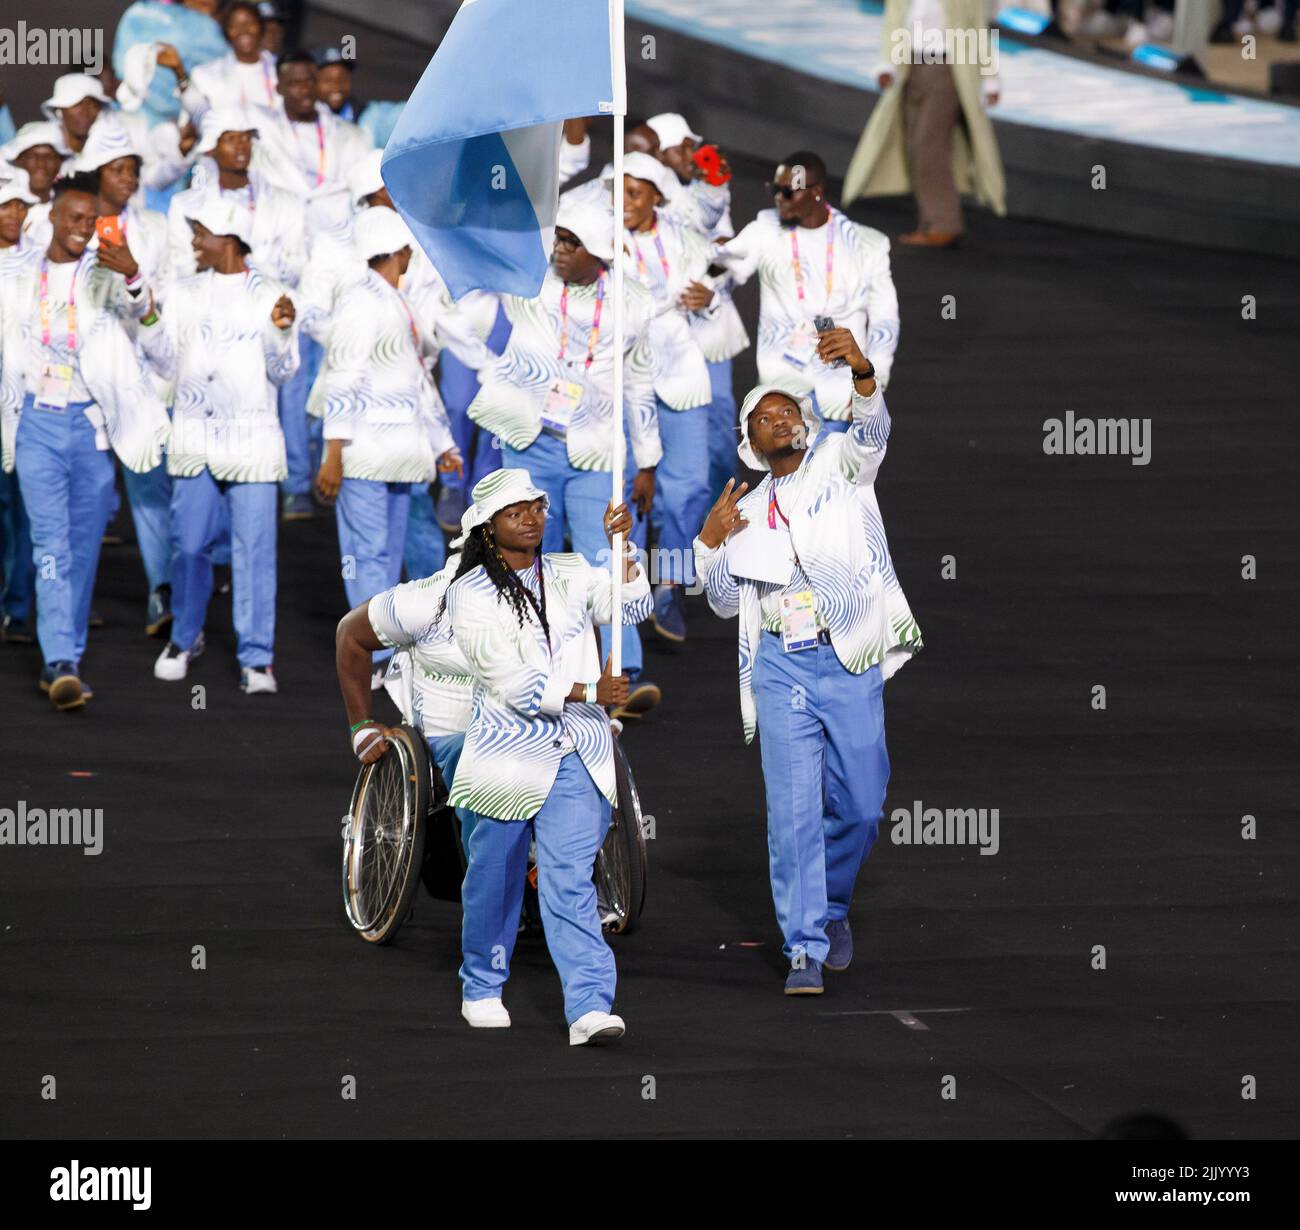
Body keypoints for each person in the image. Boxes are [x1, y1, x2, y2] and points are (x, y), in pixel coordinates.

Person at [693, 331, 922, 994]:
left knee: (863, 807)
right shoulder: (745, 510)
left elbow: (873, 431)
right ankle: (804, 946)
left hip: (846, 655)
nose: (782, 419)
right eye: (766, 418)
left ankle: (833, 905)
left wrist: (861, 369)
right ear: (750, 443)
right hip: (781, 669)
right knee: (792, 813)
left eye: (788, 410)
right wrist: (710, 547)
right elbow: (725, 602)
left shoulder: (840, 468)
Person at [444, 467, 650, 1044]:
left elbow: (626, 609)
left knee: (569, 875)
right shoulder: (467, 593)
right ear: (488, 529)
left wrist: (623, 551)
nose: (533, 517)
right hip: (505, 750)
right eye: (517, 511)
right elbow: (507, 678)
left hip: (577, 747)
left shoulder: (568, 570)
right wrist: (586, 691)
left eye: (536, 506)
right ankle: (481, 984)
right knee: (497, 873)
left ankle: (588, 1005)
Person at [467, 196, 663, 718]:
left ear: (598, 253)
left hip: (595, 449)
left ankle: (623, 676)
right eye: (560, 238)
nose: (560, 249)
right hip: (529, 444)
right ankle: (540, 671)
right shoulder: (530, 280)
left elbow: (640, 383)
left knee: (608, 553)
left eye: (573, 244)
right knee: (531, 561)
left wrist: (647, 461)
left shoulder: (635, 304)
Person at [0, 172, 170, 709]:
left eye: (91, 221)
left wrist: (137, 278)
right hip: (37, 423)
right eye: (74, 218)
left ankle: (63, 656)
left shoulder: (108, 273)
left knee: (80, 547)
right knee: (50, 543)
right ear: (49, 215)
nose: (82, 229)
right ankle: (61, 658)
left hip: (93, 425)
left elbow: (157, 338)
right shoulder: (16, 274)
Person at [144, 198, 298, 692]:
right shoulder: (183, 291)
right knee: (188, 545)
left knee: (254, 550)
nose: (193, 241)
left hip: (252, 441)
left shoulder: (272, 294)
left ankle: (257, 656)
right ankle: (185, 637)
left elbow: (284, 371)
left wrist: (280, 332)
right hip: (194, 436)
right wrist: (146, 316)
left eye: (200, 232)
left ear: (227, 237)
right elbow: (165, 361)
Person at [316, 207, 462, 671]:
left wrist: (441, 444)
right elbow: (343, 378)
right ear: (399, 250)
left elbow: (419, 380)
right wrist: (334, 451)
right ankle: (371, 658)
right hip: (361, 454)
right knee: (368, 557)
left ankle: (389, 656)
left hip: (401, 453)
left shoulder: (398, 301)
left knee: (383, 557)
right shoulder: (359, 303)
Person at [250, 50, 372, 519]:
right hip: (284, 270)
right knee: (292, 380)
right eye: (294, 82)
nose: (304, 90)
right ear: (280, 86)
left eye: (310, 82)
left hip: (336, 267)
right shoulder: (262, 134)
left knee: (336, 366)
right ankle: (298, 483)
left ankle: (333, 465)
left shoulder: (352, 136)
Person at [74, 121, 175, 638]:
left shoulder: (157, 229)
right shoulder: (74, 224)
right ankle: (72, 601)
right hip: (82, 382)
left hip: (143, 375)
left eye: (133, 170)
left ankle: (164, 590)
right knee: (86, 496)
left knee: (149, 485)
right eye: (117, 170)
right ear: (96, 173)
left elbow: (165, 300)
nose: (129, 178)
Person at [718, 152, 900, 427]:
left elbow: (885, 318)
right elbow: (727, 264)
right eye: (774, 190)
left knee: (838, 469)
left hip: (841, 389)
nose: (779, 198)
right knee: (789, 468)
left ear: (817, 192)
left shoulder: (866, 244)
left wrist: (872, 383)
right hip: (783, 383)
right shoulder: (766, 230)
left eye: (788, 192)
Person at [619, 152, 716, 644]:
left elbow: (722, 275)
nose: (625, 203)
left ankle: (670, 584)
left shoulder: (685, 239)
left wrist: (711, 298)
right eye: (619, 192)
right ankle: (630, 591)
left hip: (681, 378)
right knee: (631, 497)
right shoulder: (601, 241)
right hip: (622, 384)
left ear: (657, 195)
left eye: (635, 194)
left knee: (689, 492)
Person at [335, 547, 478, 847]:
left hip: (520, 726)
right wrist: (360, 726)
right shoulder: (428, 600)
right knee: (480, 753)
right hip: (452, 737)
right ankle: (494, 875)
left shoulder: (540, 592)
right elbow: (351, 634)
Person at [845, 0, 1006, 247]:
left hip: (947, 71)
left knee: (928, 144)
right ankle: (930, 221)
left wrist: (990, 78)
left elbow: (977, 30)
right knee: (914, 145)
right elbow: (893, 26)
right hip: (911, 69)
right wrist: (887, 65)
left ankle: (944, 223)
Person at [166, 107, 306, 286]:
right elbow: (183, 267)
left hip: (270, 301)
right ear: (211, 149)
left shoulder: (288, 202)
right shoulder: (185, 206)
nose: (241, 146)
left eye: (246, 138)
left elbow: (296, 264)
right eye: (231, 139)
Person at [0, 170, 40, 645]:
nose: (13, 215)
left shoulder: (39, 264)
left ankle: (19, 603)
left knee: (20, 506)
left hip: (26, 401)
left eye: (20, 205)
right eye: (5, 205)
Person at [111, 0, 228, 129]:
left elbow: (227, 68)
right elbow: (121, 68)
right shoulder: (137, 14)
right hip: (137, 114)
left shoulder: (204, 25)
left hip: (186, 118)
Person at [178, 1, 280, 119]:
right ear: (226, 32)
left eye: (250, 23)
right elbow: (198, 119)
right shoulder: (205, 75)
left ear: (261, 27)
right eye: (234, 26)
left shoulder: (280, 70)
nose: (243, 31)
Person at [2, 123, 72, 247]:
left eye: (49, 157)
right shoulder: (5, 213)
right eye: (33, 156)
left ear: (59, 163)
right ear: (19, 160)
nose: (41, 164)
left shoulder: (71, 209)